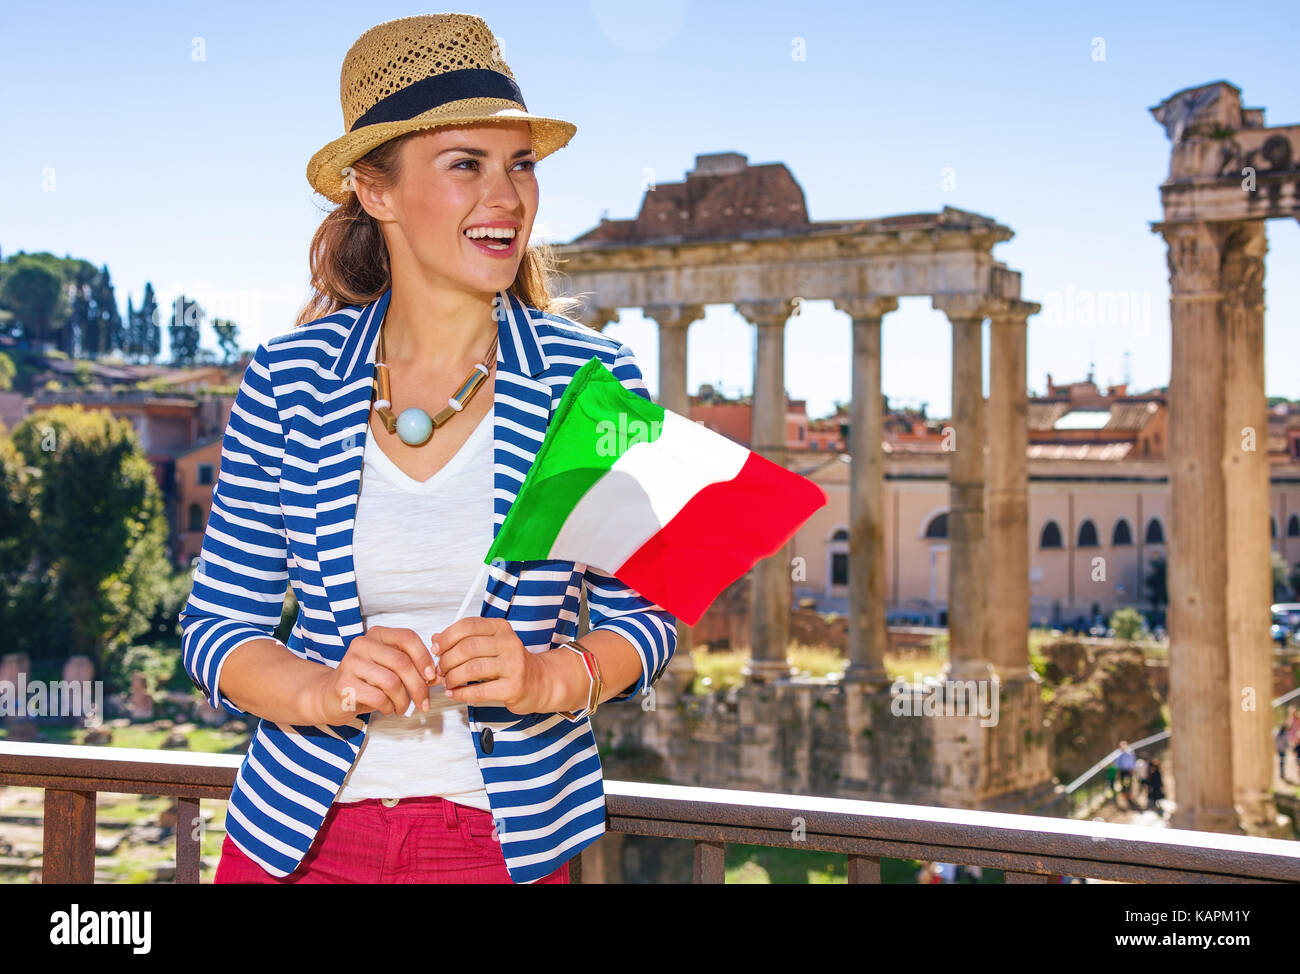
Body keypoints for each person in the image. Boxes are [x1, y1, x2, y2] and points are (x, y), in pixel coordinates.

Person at [181, 14, 676, 884]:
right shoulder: (285, 379)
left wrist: (545, 678)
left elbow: (653, 616)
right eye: (466, 165)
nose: (509, 197)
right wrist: (319, 689)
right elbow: (217, 628)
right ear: (377, 191)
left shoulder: (594, 375)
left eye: (520, 163)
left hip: (500, 847)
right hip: (295, 841)